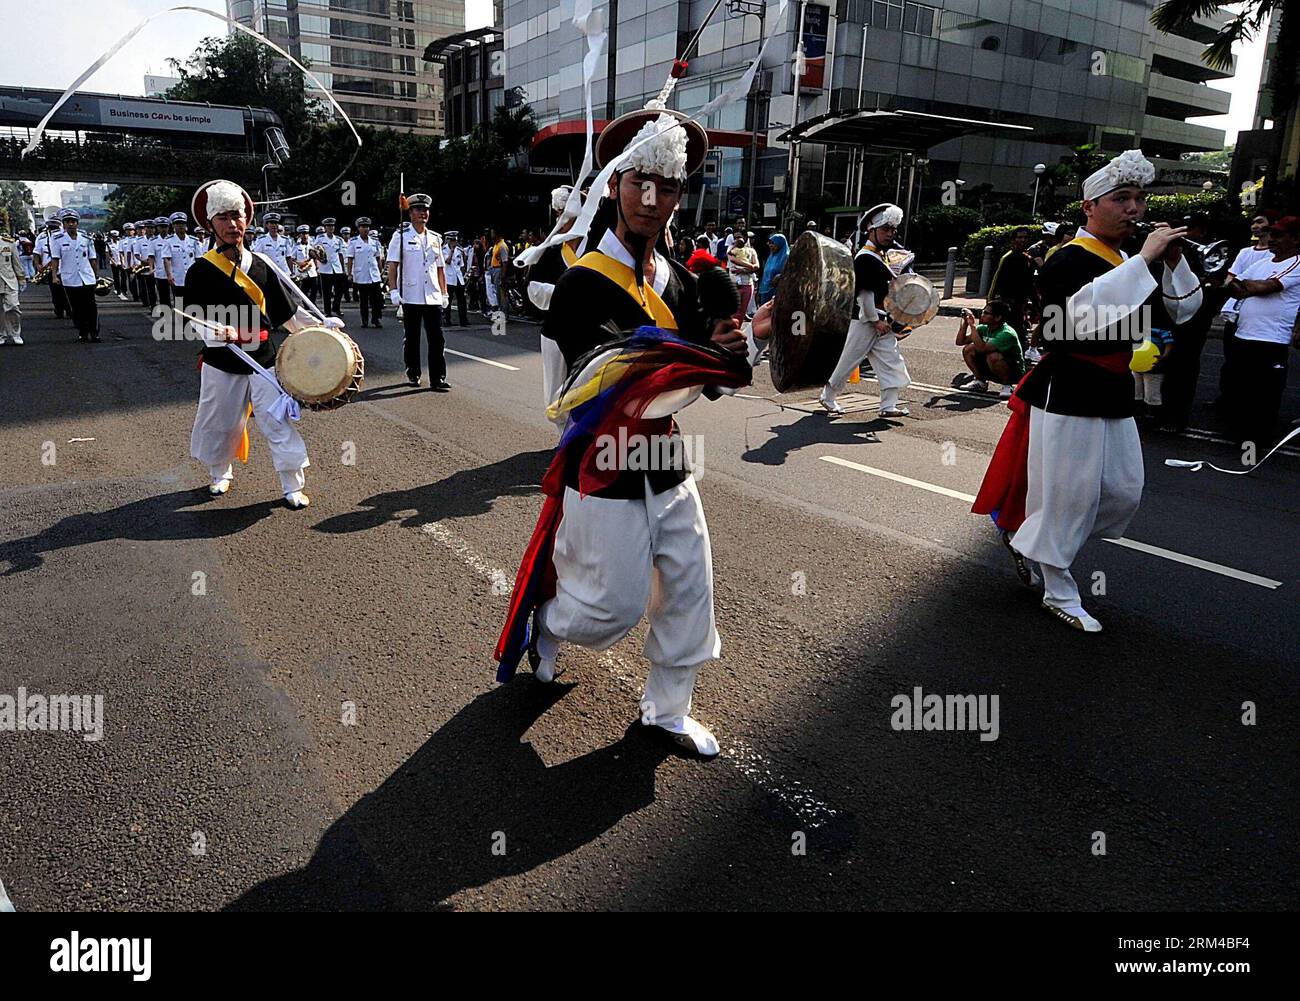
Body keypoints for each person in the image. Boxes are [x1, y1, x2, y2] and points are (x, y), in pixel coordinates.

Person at [517, 99, 749, 758]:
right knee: (610, 609)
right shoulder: (581, 285)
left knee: (690, 587)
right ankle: (548, 620)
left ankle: (666, 712)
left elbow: (695, 378)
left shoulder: (679, 278)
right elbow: (574, 393)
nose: (651, 199)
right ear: (613, 183)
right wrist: (697, 361)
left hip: (668, 459)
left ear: (680, 193)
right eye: (639, 181)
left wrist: (734, 351)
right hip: (605, 463)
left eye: (667, 185)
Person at [974, 150, 1201, 633]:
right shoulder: (1068, 257)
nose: (1134, 209)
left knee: (1121, 490)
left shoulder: (1128, 260)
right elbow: (1072, 320)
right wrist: (1143, 263)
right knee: (1070, 496)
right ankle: (1058, 587)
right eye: (1121, 198)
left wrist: (1174, 264)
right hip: (1070, 385)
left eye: (1139, 199)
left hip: (1114, 386)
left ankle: (1028, 536)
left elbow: (1182, 311)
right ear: (1089, 207)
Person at [182, 179, 337, 509]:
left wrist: (324, 330)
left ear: (246, 220)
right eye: (223, 217)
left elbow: (289, 315)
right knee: (220, 420)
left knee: (276, 421)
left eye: (237, 216)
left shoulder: (263, 265)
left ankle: (291, 484)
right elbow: (192, 318)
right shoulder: (200, 271)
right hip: (222, 358)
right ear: (210, 223)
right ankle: (219, 472)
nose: (232, 224)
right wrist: (214, 331)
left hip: (263, 357)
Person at [819, 202, 913, 417]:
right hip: (865, 320)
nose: (891, 234)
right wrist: (874, 320)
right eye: (885, 229)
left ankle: (888, 406)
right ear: (872, 230)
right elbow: (865, 294)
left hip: (880, 320)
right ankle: (828, 396)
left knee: (892, 361)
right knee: (848, 360)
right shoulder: (866, 258)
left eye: (893, 229)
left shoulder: (879, 255)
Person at [1221, 214, 1300, 450]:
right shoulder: (1262, 263)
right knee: (1240, 388)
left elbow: (1266, 287)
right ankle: (1239, 435)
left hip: (1270, 339)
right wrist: (1232, 283)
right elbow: (1235, 284)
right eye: (1271, 234)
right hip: (1243, 335)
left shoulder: (1297, 263)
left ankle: (1257, 441)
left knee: (1264, 393)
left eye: (1278, 235)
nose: (1271, 239)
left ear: (1295, 239)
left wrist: (1239, 286)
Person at [386, 192, 448, 390]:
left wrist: (444, 293)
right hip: (411, 295)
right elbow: (393, 265)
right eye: (418, 209)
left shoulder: (435, 238)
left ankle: (438, 378)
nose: (423, 213)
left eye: (425, 210)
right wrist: (393, 290)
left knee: (437, 339)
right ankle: (413, 373)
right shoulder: (401, 237)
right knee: (412, 338)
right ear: (410, 212)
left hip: (432, 296)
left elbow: (440, 268)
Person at [1214, 212, 1274, 409]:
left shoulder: (1276, 255)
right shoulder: (1245, 252)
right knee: (1231, 359)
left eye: (1260, 222)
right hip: (1236, 312)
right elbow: (1232, 278)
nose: (1255, 226)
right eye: (1253, 223)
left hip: (1258, 315)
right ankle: (1226, 399)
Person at [49, 208, 99, 342]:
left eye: (73, 221)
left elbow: (92, 259)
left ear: (77, 223)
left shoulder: (86, 238)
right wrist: (54, 275)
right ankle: (82, 332)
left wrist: (96, 276)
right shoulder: (57, 239)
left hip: (87, 277)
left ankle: (94, 332)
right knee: (76, 308)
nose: (71, 224)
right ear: (63, 224)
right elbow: (55, 259)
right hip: (70, 278)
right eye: (67, 222)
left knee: (91, 306)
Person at [956, 300, 1025, 396]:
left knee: (993, 356)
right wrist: (966, 323)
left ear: (997, 318)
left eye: (986, 313)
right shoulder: (983, 328)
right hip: (992, 367)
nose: (982, 315)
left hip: (1013, 372)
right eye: (983, 311)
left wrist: (972, 325)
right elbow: (960, 341)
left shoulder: (1006, 333)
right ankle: (980, 382)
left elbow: (982, 349)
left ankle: (1007, 386)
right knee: (969, 349)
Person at [987, 226, 1036, 347]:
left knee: (1019, 334)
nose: (1023, 240)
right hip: (1007, 302)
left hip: (1021, 304)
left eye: (1025, 238)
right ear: (1014, 240)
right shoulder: (1007, 258)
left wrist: (1036, 302)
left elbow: (1029, 284)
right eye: (1020, 237)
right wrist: (990, 301)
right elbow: (996, 281)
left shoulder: (1028, 259)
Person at [347, 216, 385, 328]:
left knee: (376, 300)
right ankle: (364, 320)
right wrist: (349, 274)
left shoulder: (375, 242)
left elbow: (378, 258)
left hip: (374, 274)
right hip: (361, 274)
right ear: (358, 228)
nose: (365, 229)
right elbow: (350, 258)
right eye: (363, 226)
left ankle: (376, 319)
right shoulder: (353, 242)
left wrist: (380, 271)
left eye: (367, 226)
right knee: (363, 300)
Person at [34, 217, 71, 320]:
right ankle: (58, 310)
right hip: (49, 269)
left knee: (67, 290)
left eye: (55, 227)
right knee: (55, 292)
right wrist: (38, 265)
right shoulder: (42, 238)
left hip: (64, 267)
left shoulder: (65, 236)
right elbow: (36, 252)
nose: (53, 230)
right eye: (51, 227)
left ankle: (69, 310)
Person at [162, 211, 201, 305]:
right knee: (179, 300)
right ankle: (180, 319)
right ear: (173, 226)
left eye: (182, 224)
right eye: (177, 224)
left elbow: (198, 259)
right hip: (177, 276)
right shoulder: (168, 241)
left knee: (192, 300)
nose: (180, 226)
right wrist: (169, 275)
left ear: (186, 226)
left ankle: (191, 318)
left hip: (192, 276)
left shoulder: (193, 241)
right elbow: (167, 259)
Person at [315, 217, 346, 316]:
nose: (330, 228)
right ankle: (327, 311)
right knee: (327, 292)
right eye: (328, 226)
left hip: (337, 268)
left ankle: (336, 307)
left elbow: (340, 254)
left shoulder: (338, 239)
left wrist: (343, 269)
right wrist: (319, 259)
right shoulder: (320, 238)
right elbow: (313, 250)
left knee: (339, 291)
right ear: (325, 227)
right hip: (325, 268)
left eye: (332, 226)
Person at [726, 229, 760, 321]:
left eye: (739, 237)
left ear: (745, 238)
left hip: (747, 284)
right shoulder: (731, 249)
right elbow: (733, 260)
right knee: (733, 312)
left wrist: (743, 270)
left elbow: (757, 266)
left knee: (742, 312)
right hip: (734, 284)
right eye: (735, 237)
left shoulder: (751, 251)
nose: (737, 239)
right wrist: (749, 266)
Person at [0, 227, 25, 345]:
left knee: (13, 307)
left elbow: (16, 262)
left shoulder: (8, 243)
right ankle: (2, 335)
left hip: (9, 280)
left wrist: (21, 279)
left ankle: (16, 333)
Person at [441, 230, 468, 327]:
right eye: (451, 240)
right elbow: (447, 262)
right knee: (448, 300)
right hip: (448, 277)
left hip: (458, 277)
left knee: (462, 300)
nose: (454, 242)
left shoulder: (459, 250)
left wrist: (463, 275)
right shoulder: (443, 250)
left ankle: (463, 320)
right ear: (447, 240)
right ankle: (446, 319)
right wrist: (451, 251)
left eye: (455, 240)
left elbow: (461, 265)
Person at [756, 233, 788, 308]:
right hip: (765, 289)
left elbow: (790, 273)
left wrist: (780, 276)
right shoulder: (771, 256)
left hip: (778, 291)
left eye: (773, 243)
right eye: (770, 243)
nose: (770, 245)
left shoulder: (786, 256)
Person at [292, 224, 320, 304]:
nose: (305, 235)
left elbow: (316, 258)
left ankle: (313, 304)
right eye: (303, 233)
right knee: (304, 290)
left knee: (314, 289)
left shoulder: (312, 245)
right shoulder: (296, 247)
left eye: (306, 233)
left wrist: (317, 268)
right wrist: (300, 264)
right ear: (300, 235)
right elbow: (292, 259)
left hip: (312, 271)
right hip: (302, 271)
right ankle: (306, 305)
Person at [488, 228, 510, 317]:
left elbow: (505, 262)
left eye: (492, 233)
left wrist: (503, 275)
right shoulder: (496, 245)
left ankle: (505, 314)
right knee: (497, 293)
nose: (491, 235)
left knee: (501, 293)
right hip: (495, 270)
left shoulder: (502, 246)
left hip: (499, 270)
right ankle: (502, 312)